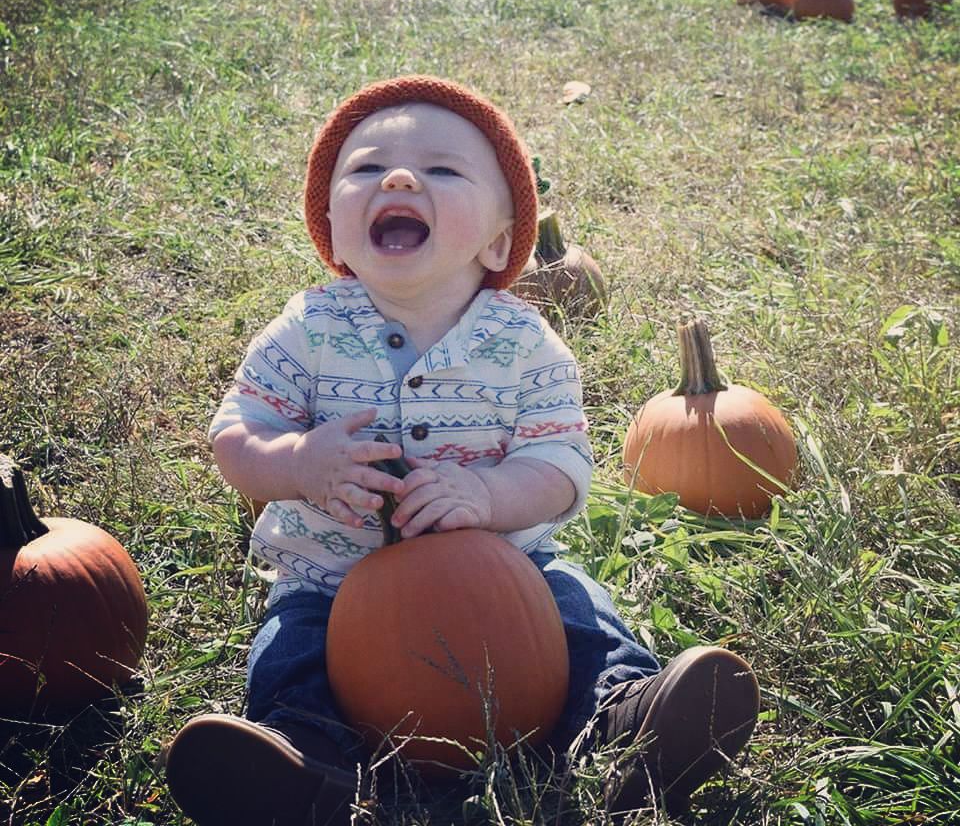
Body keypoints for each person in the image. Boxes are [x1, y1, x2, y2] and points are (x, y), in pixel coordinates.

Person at [164, 76, 760, 826]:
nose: (401, 177)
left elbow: (561, 467)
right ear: (332, 227)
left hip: (507, 573)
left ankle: (624, 719)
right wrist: (295, 462)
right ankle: (304, 761)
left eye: (443, 170)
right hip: (331, 576)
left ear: (502, 241)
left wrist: (487, 496)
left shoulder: (524, 344)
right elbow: (236, 433)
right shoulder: (305, 330)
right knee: (289, 649)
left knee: (581, 614)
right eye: (365, 169)